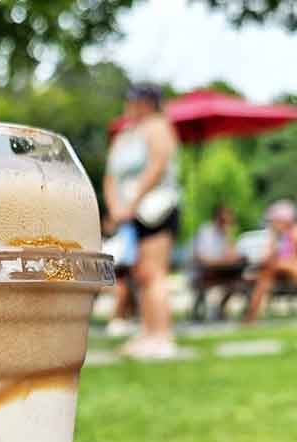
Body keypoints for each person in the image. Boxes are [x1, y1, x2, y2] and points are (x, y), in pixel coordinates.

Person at [104, 83, 180, 359]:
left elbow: (157, 167)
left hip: (155, 210)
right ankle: (148, 333)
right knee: (140, 274)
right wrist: (116, 207)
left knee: (154, 273)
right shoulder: (123, 135)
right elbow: (111, 176)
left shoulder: (158, 127)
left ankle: (162, 335)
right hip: (129, 214)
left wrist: (132, 203)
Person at [244, 200, 297, 324]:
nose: (272, 224)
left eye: (275, 221)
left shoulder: (294, 233)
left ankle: (250, 317)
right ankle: (251, 317)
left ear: (285, 220)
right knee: (264, 277)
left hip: (291, 268)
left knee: (267, 274)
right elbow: (269, 256)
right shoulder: (276, 235)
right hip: (279, 270)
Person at [191, 205, 246, 320]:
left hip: (221, 270)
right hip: (203, 271)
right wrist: (224, 261)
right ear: (218, 217)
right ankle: (204, 312)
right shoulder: (205, 232)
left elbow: (232, 255)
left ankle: (220, 310)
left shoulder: (225, 234)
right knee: (233, 277)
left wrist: (229, 235)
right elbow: (202, 258)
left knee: (238, 280)